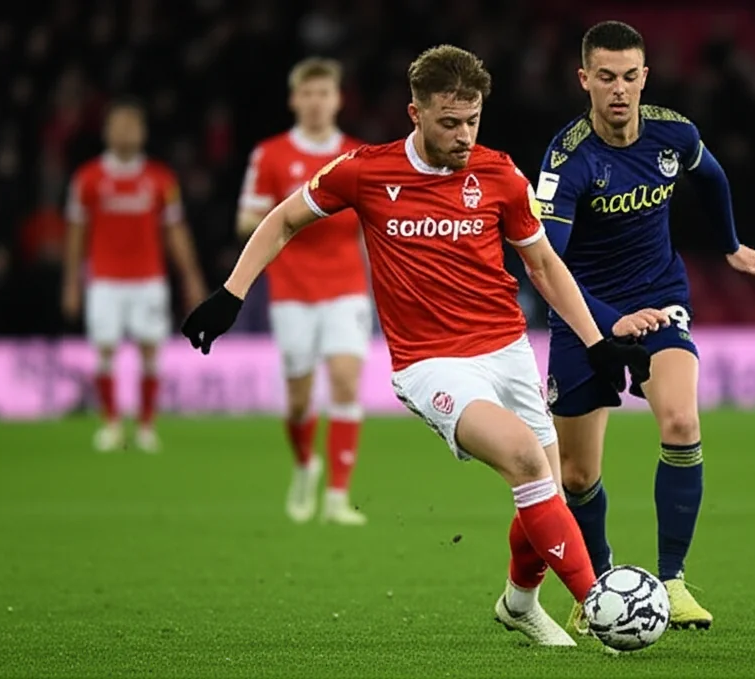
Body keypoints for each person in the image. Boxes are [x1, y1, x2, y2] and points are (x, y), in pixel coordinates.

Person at [180, 44, 659, 646]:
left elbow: (542, 265)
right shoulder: (365, 171)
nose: (463, 136)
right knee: (526, 459)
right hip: (431, 363)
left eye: (472, 121)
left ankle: (518, 604)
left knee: (548, 484)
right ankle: (602, 602)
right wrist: (231, 294)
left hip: (507, 350)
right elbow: (281, 220)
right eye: (449, 122)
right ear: (416, 113)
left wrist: (595, 342)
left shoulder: (500, 174)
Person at [534, 21, 755, 632]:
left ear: (645, 77)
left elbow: (713, 178)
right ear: (584, 79)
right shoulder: (566, 161)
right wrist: (611, 320)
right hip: (583, 313)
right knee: (577, 474)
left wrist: (728, 246)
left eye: (630, 77)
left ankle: (672, 580)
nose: (619, 90)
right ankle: (596, 586)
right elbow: (549, 266)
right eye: (606, 78)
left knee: (681, 420)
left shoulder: (674, 133)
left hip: (659, 297)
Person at [237, 58, 370, 525]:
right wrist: (297, 213)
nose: (316, 102)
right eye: (307, 94)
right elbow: (247, 220)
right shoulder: (270, 155)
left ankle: (336, 496)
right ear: (295, 100)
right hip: (291, 289)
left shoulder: (358, 157)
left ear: (337, 99)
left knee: (345, 380)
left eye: (324, 93)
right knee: (298, 398)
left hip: (347, 286)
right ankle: (303, 465)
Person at [62, 97, 207, 453]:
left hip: (148, 279)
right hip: (105, 280)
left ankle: (145, 426)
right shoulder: (88, 179)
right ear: (107, 131)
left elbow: (175, 231)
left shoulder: (160, 180)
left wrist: (191, 277)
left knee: (150, 350)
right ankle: (111, 424)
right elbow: (76, 233)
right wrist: (71, 282)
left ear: (142, 132)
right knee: (105, 349)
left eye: (133, 125)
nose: (126, 131)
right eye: (119, 125)